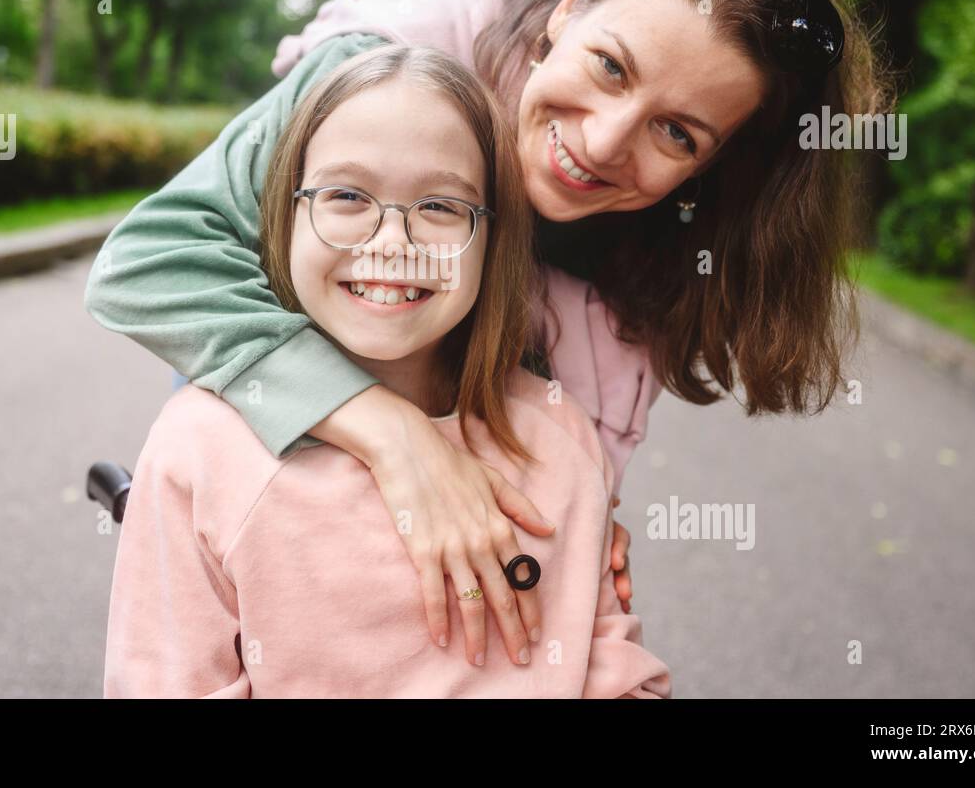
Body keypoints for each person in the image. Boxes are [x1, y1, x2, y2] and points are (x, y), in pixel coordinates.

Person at [85, 0, 891, 665]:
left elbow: (558, 514)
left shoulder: (652, 277)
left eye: (676, 134)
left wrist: (578, 542)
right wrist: (393, 436)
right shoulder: (385, 67)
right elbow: (150, 261)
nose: (607, 142)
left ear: (714, 166)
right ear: (569, 11)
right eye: (611, 67)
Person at [103, 45, 672, 697]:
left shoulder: (557, 431)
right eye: (346, 195)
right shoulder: (200, 450)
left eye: (440, 208)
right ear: (284, 214)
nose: (393, 243)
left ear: (493, 237)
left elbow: (614, 669)